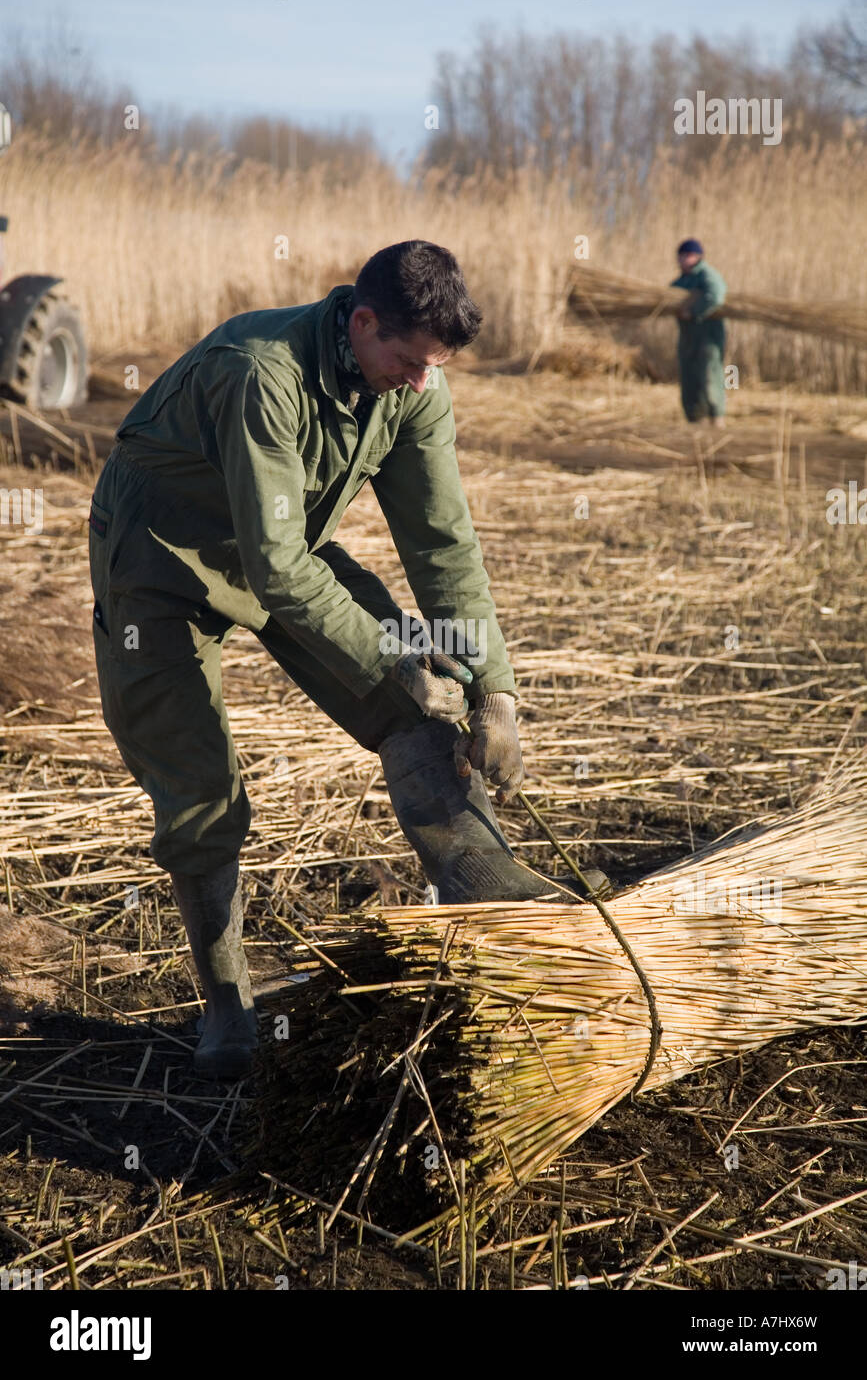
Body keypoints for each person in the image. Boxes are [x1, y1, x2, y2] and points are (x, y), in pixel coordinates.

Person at [88, 240, 603, 1079]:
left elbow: (442, 545)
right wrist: (396, 658)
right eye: (405, 361)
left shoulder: (414, 387)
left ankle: (486, 895)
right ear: (362, 323)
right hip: (160, 562)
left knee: (420, 713)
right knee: (202, 790)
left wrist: (495, 688)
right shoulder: (261, 372)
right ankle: (225, 1003)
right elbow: (277, 570)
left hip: (287, 550)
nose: (419, 382)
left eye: (431, 367)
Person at [671, 239, 727, 428]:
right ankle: (696, 420)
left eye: (688, 255)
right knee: (689, 377)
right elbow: (668, 298)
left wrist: (693, 312)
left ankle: (716, 418)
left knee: (709, 375)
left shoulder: (706, 275)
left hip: (707, 335)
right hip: (687, 337)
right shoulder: (680, 281)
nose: (684, 259)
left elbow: (717, 295)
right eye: (681, 255)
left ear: (698, 256)